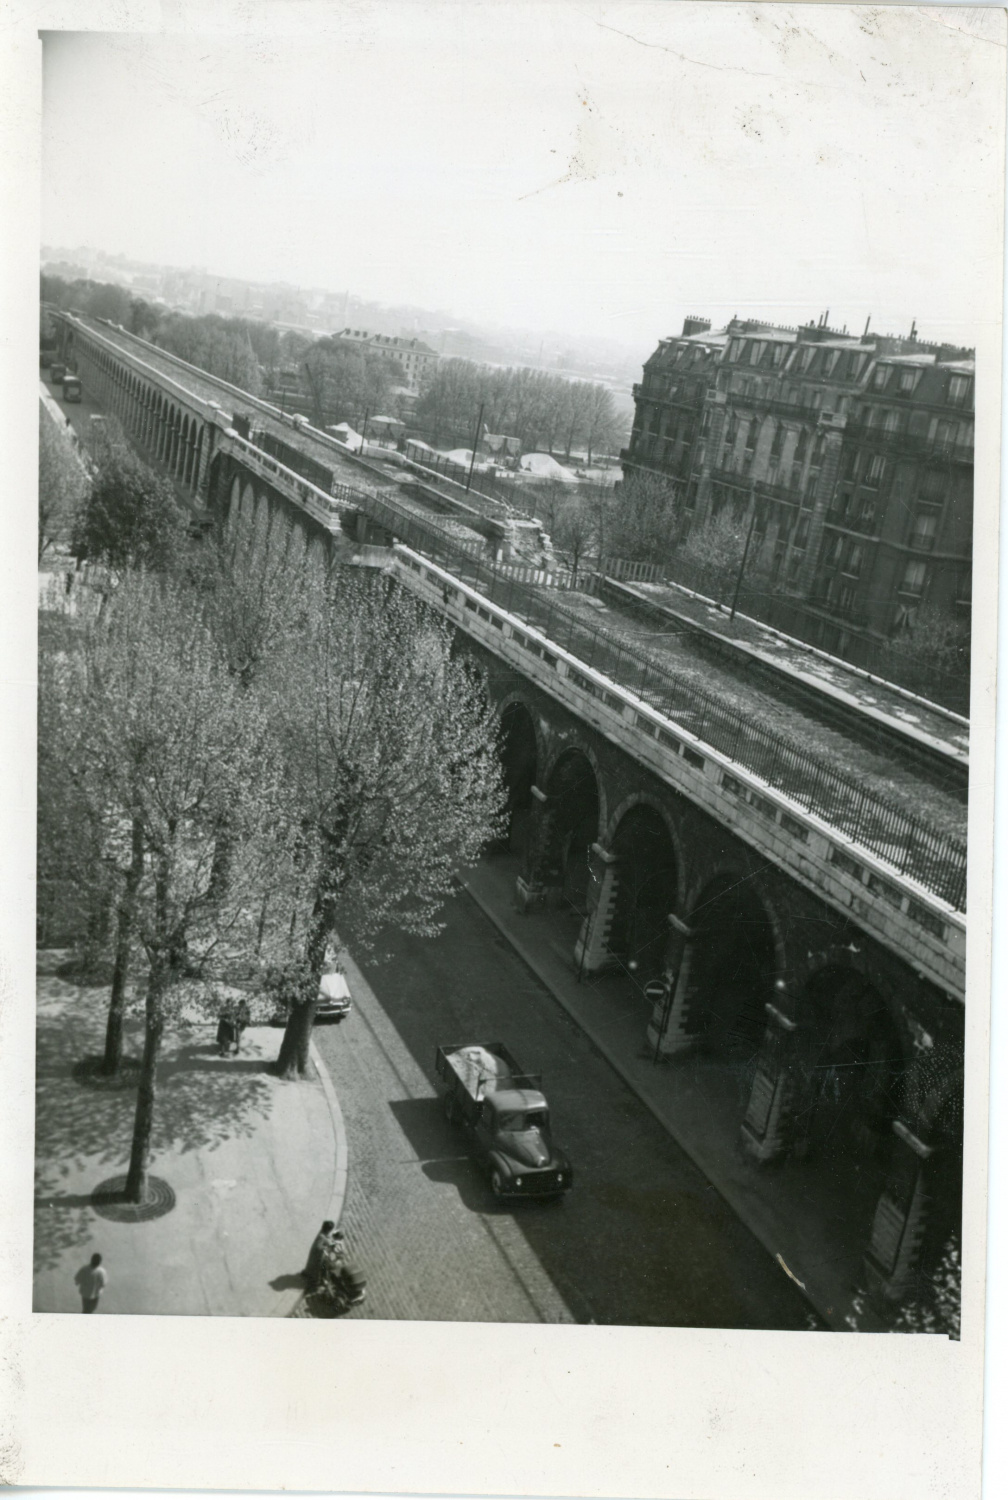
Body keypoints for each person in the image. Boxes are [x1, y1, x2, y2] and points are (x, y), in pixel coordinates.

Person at [304, 1220, 337, 1292]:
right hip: (318, 1256)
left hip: (316, 1254)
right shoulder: (322, 1237)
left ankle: (307, 1273)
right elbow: (319, 1246)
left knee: (312, 1265)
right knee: (317, 1269)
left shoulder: (322, 1233)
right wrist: (326, 1247)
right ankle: (314, 1284)